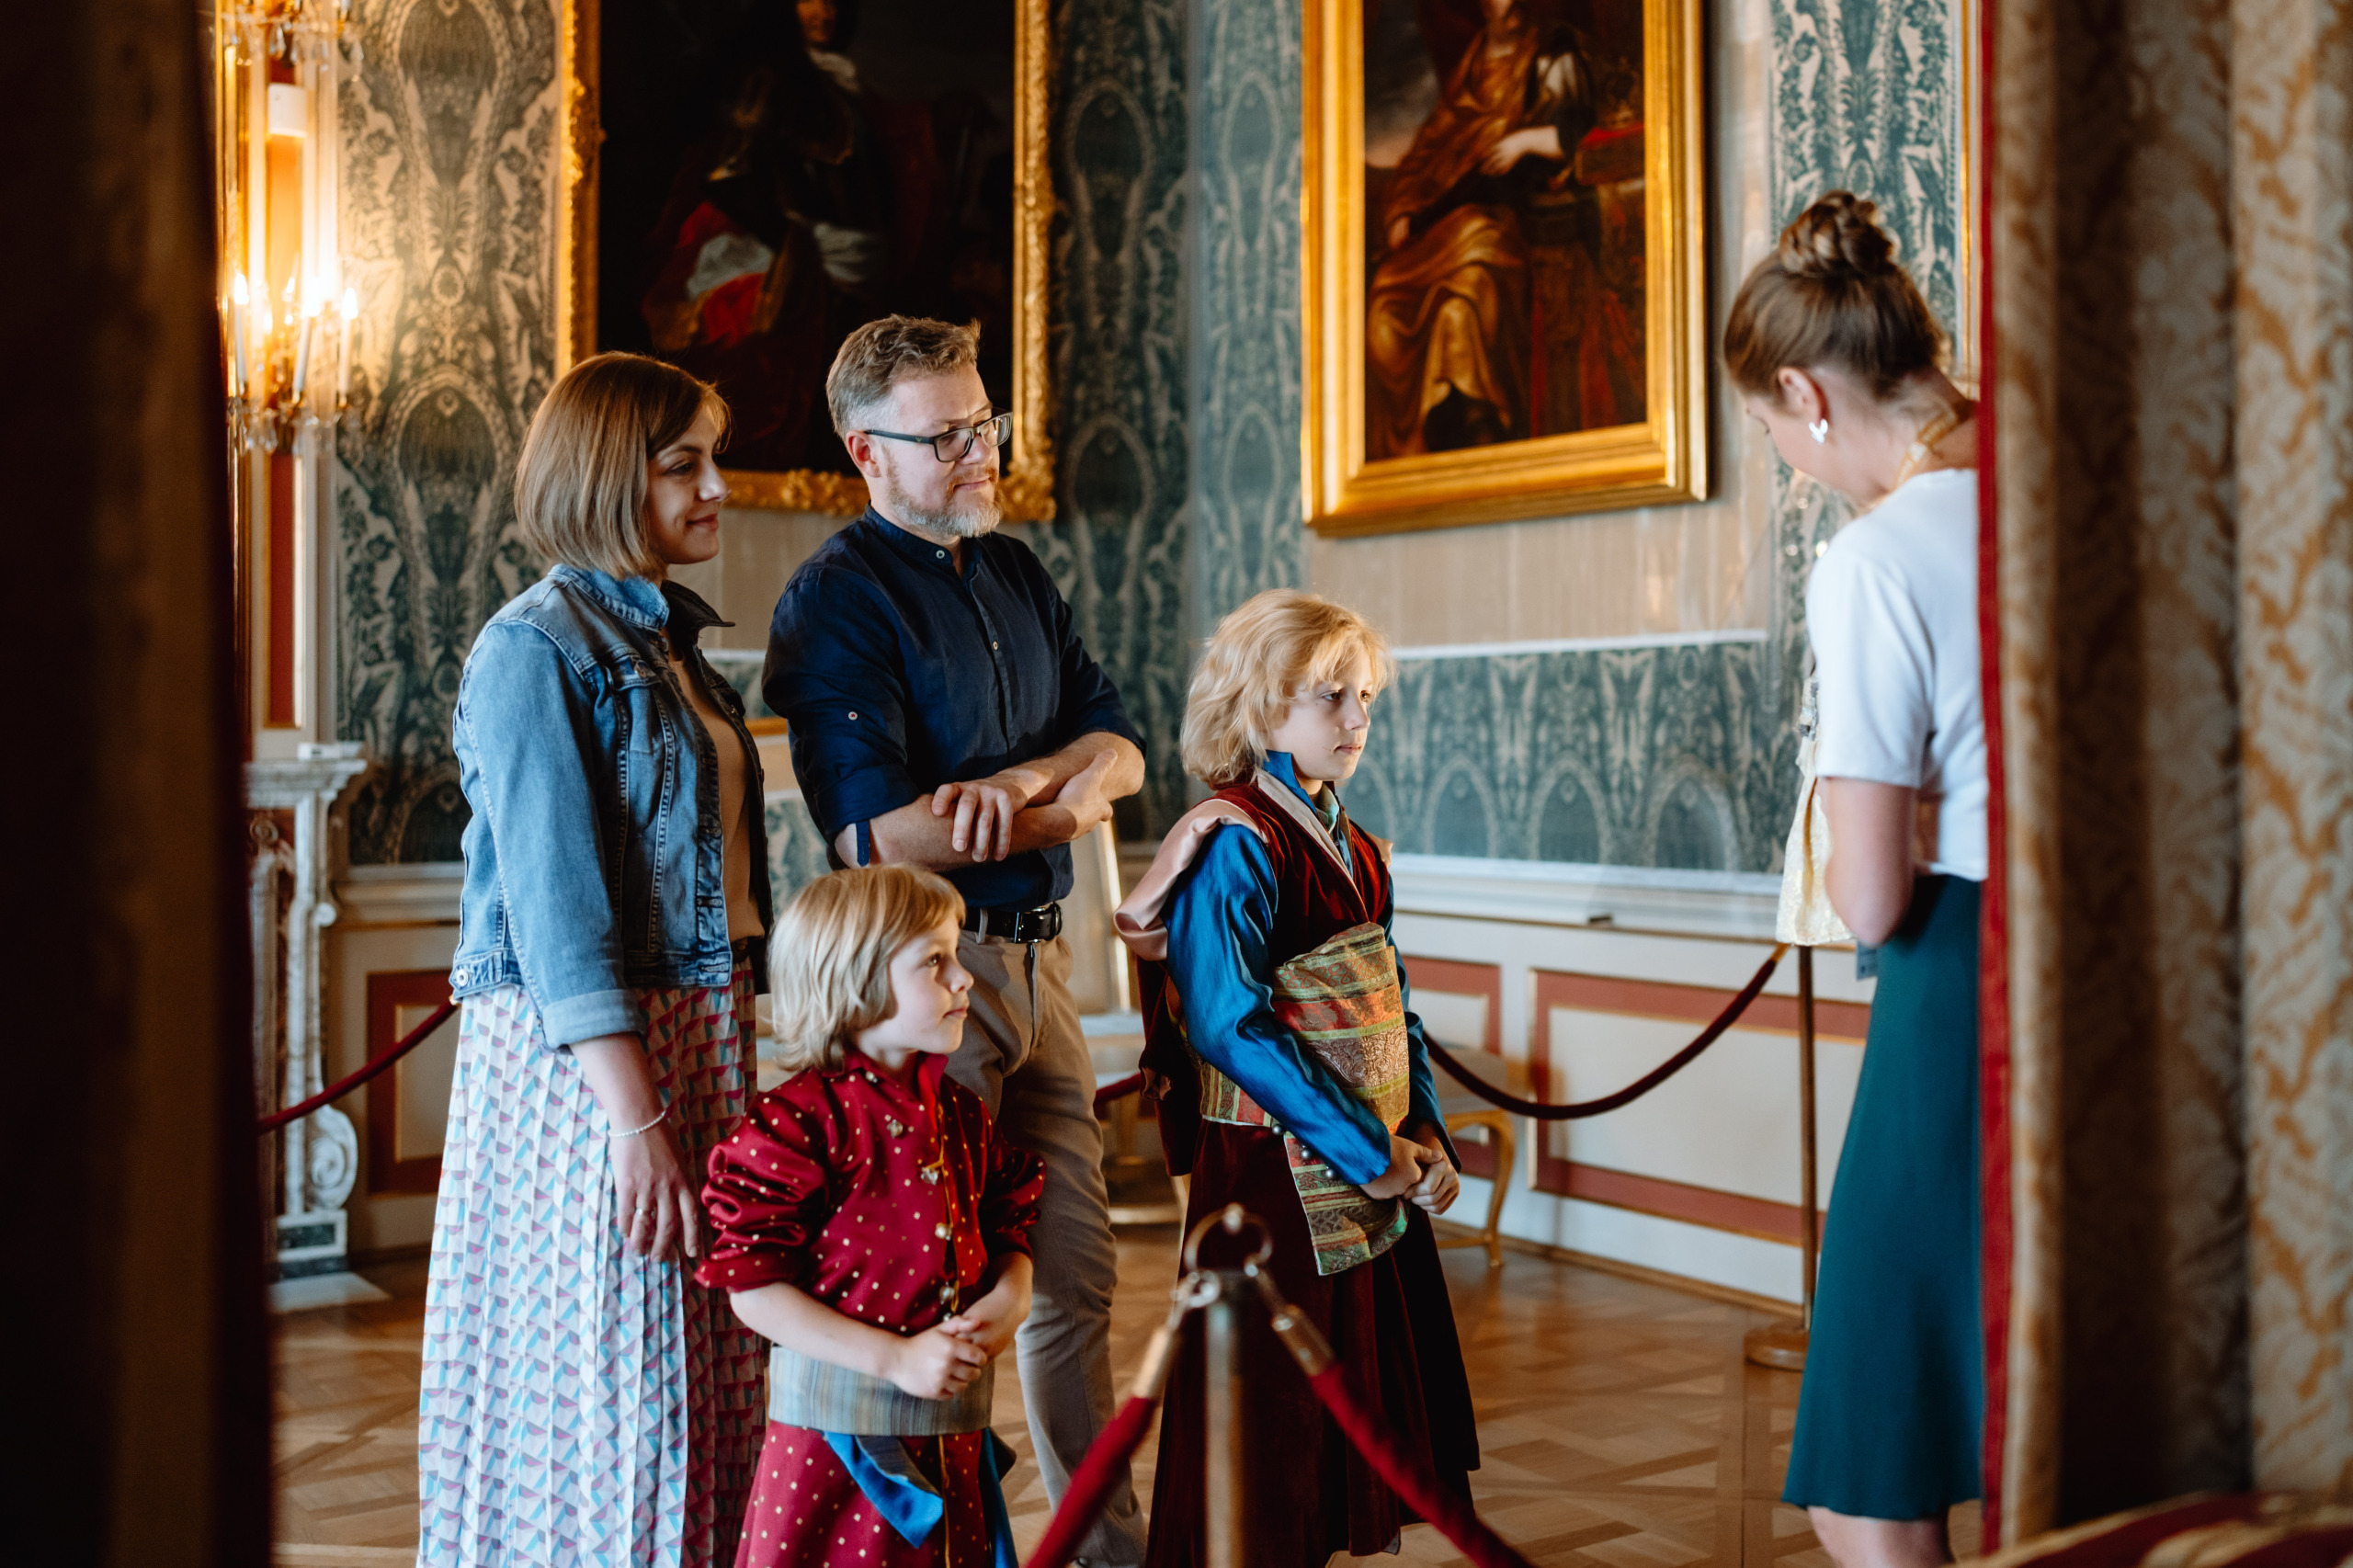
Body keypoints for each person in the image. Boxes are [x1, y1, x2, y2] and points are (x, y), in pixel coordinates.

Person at [764, 314, 1149, 1565]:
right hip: (930, 982)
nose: (979, 453)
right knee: (944, 1289)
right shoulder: (834, 599)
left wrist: (1030, 781)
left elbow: (1126, 754)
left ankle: (1101, 1554)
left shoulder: (1020, 571)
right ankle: (949, 1547)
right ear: (865, 454)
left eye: (984, 424)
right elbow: (878, 839)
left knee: (1073, 1278)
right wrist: (1068, 793)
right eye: (946, 437)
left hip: (1045, 965)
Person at [421, 352, 770, 1565]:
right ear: (611, 474)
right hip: (594, 1067)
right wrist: (637, 1116)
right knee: (628, 1377)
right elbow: (556, 916)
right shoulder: (534, 649)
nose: (718, 486)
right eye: (686, 464)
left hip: (701, 1033)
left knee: (706, 1356)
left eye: (711, 458)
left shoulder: (676, 643)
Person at [1725, 191, 1985, 1567]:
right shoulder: (2072, 492)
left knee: (1868, 1475)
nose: (1789, 459)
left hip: (1959, 985)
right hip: (2133, 969)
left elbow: (1873, 896)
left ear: (1803, 394)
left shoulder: (1878, 559)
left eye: (1773, 437)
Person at [1113, 588, 1478, 1564]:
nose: (1358, 720)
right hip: (1272, 1163)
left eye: (1365, 697)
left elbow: (1393, 1003)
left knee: (1343, 1401)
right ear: (1263, 704)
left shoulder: (1357, 843)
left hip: (1366, 1153)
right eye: (1332, 698)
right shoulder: (1234, 840)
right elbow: (1230, 1026)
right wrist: (1368, 1149)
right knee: (1266, 1402)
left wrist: (1425, 1134)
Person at [699, 864, 1046, 1567]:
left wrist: (1013, 1298)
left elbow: (1009, 1225)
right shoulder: (796, 1125)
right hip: (832, 1461)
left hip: (950, 1444)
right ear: (853, 981)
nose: (964, 979)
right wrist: (898, 1359)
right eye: (935, 962)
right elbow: (753, 1291)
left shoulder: (961, 1114)